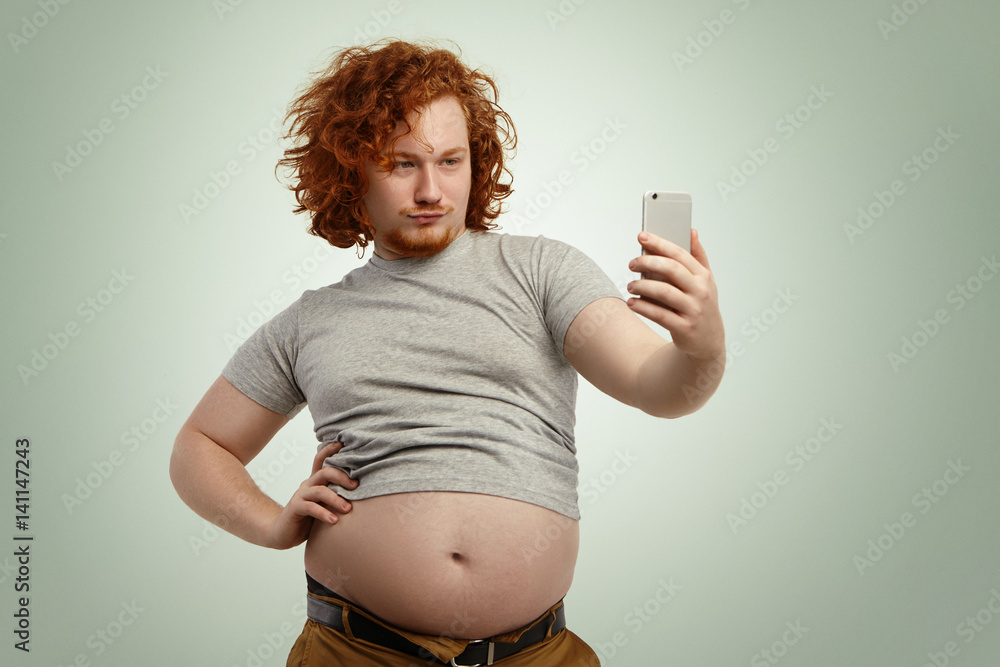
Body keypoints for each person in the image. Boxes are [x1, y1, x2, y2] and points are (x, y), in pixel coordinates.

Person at [170, 39, 725, 666]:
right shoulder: (309, 322)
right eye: (401, 164)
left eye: (450, 161)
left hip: (535, 655)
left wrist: (701, 342)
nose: (431, 189)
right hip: (353, 652)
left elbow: (659, 387)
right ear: (351, 173)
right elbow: (199, 447)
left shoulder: (543, 272)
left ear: (474, 163)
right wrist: (272, 525)